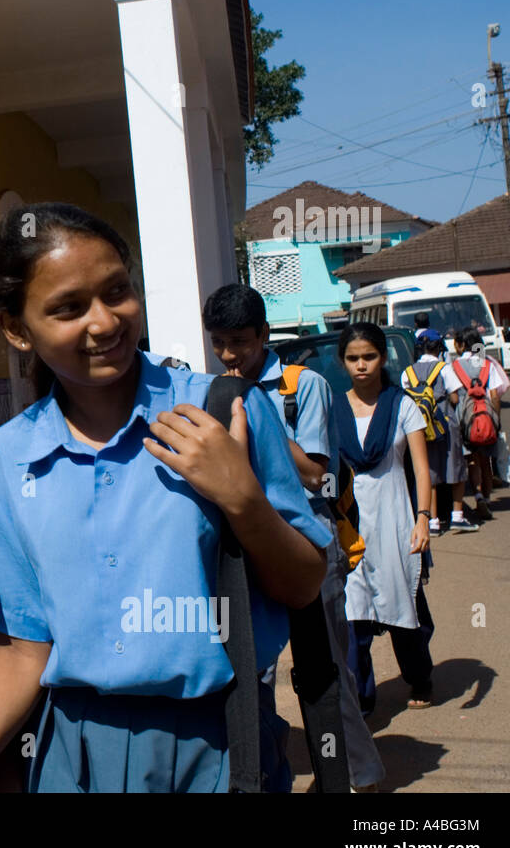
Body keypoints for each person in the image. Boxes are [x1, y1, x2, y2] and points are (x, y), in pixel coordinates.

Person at [0, 203, 328, 794]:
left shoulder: (223, 412)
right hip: (72, 757)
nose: (104, 322)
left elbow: (305, 582)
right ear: (17, 329)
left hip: (221, 743)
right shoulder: (6, 459)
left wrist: (244, 500)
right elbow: (25, 648)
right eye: (69, 308)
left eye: (117, 292)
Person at [202, 283, 385, 792]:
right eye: (219, 342)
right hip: (248, 548)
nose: (228, 354)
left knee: (322, 673)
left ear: (264, 334)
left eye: (239, 340)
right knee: (252, 670)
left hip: (307, 547)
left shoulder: (301, 387)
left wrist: (256, 422)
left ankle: (357, 774)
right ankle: (260, 772)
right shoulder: (218, 390)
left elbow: (318, 475)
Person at [334, 323, 435, 713]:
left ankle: (419, 676)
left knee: (404, 610)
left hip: (396, 520)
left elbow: (422, 470)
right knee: (353, 615)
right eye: (353, 358)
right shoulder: (334, 408)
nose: (362, 366)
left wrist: (423, 518)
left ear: (382, 358)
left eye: (369, 357)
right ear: (343, 362)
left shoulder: (402, 404)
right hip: (351, 525)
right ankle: (363, 698)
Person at [402, 330, 475, 535]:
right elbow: (454, 398)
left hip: (420, 428)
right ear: (439, 348)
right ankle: (457, 516)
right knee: (456, 469)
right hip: (445, 425)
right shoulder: (444, 369)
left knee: (429, 472)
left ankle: (432, 521)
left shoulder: (407, 372)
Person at [453, 326, 508, 520]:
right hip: (486, 420)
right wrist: (496, 421)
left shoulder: (454, 366)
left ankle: (477, 496)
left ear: (460, 344)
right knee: (486, 462)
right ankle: (486, 498)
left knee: (472, 461)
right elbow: (494, 396)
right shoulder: (487, 364)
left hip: (465, 422)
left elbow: (453, 397)